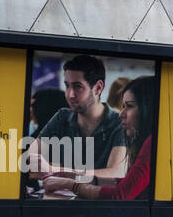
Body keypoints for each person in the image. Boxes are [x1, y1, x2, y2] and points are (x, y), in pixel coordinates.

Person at [46, 76, 155, 200]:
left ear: (148, 108)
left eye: (129, 106)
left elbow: (120, 194)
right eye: (123, 106)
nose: (122, 114)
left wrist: (71, 185)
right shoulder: (148, 141)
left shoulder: (152, 143)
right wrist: (73, 176)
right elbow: (123, 183)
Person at [25, 55, 126, 183]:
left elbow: (116, 173)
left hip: (96, 196)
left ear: (98, 88)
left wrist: (55, 170)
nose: (70, 94)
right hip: (60, 194)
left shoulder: (119, 122)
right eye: (67, 86)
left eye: (78, 86)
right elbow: (31, 158)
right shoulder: (62, 116)